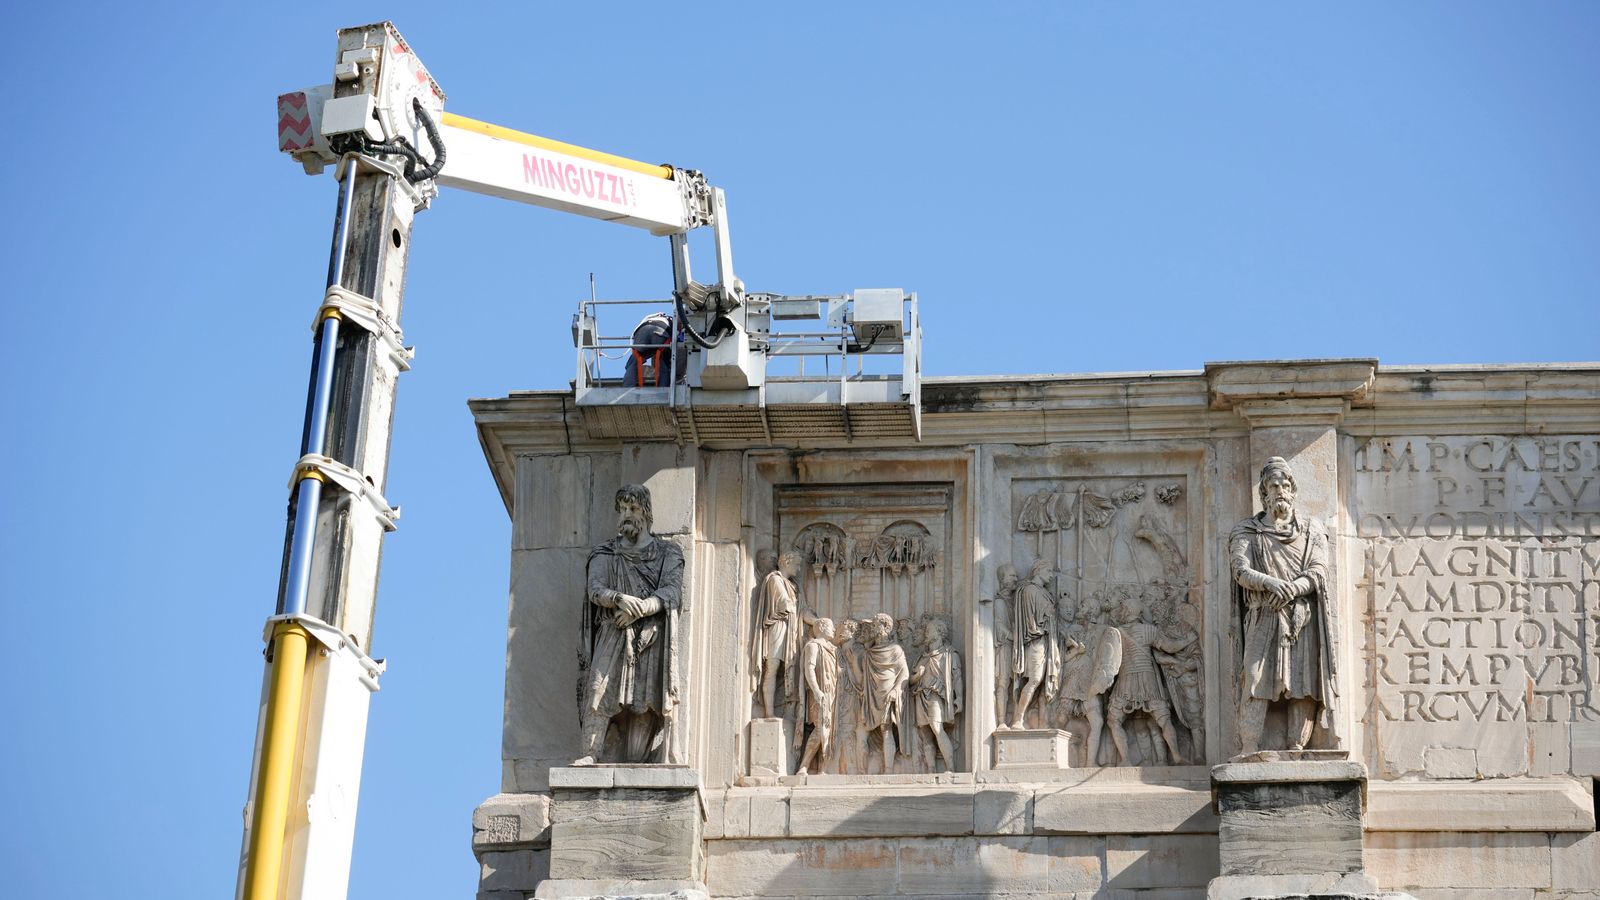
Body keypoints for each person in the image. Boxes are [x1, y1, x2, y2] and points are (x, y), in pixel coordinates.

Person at [1228, 457, 1336, 755]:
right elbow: (1240, 570)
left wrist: (1292, 589)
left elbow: (1318, 570)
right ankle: (1250, 747)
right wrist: (1271, 584)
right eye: (1273, 485)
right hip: (1263, 613)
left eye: (1285, 485)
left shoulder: (1312, 531)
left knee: (1303, 683)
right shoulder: (1246, 532)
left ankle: (1297, 746)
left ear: (1294, 491)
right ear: (1263, 493)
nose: (1280, 491)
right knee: (1255, 679)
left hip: (1301, 615)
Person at [576, 484, 684, 765]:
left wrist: (643, 608)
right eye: (622, 509)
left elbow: (672, 590)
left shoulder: (668, 553)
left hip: (650, 635)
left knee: (644, 701)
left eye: (633, 509)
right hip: (614, 631)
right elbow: (595, 588)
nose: (626, 515)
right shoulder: (606, 553)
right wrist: (619, 598)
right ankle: (590, 753)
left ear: (646, 513)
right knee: (598, 691)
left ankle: (636, 760)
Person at [752, 550, 807, 718]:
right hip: (777, 627)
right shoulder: (775, 579)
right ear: (786, 562)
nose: (798, 569)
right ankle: (768, 712)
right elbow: (785, 604)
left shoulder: (792, 584)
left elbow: (798, 609)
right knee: (772, 667)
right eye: (796, 565)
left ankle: (784, 711)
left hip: (789, 628)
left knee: (787, 669)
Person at [1008, 559, 1059, 729]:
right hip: (1035, 640)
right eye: (1049, 571)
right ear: (1038, 570)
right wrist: (1047, 619)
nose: (1051, 576)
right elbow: (1031, 621)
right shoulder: (1029, 591)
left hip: (1046, 641)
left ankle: (1042, 721)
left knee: (1042, 682)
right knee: (1035, 679)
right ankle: (1018, 719)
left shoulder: (1042, 592)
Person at [911, 615, 962, 771]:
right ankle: (931, 770)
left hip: (936, 695)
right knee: (925, 733)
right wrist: (917, 675)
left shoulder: (949, 654)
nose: (926, 633)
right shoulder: (922, 657)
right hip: (921, 695)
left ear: (940, 632)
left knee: (937, 727)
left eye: (929, 630)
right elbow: (911, 680)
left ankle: (951, 767)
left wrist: (959, 697)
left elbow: (957, 678)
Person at [861, 612, 910, 772]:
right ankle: (863, 767)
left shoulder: (895, 649)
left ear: (885, 627)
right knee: (865, 728)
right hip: (872, 691)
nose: (873, 628)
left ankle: (888, 768)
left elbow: (904, 672)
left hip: (888, 690)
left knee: (886, 728)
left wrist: (897, 689)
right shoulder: (870, 652)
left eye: (876, 625)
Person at [795, 618, 838, 776]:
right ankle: (804, 766)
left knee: (829, 730)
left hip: (833, 693)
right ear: (822, 627)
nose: (834, 630)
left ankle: (823, 769)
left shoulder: (832, 649)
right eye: (831, 627)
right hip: (820, 693)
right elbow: (809, 670)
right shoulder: (813, 646)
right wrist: (816, 690)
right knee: (820, 728)